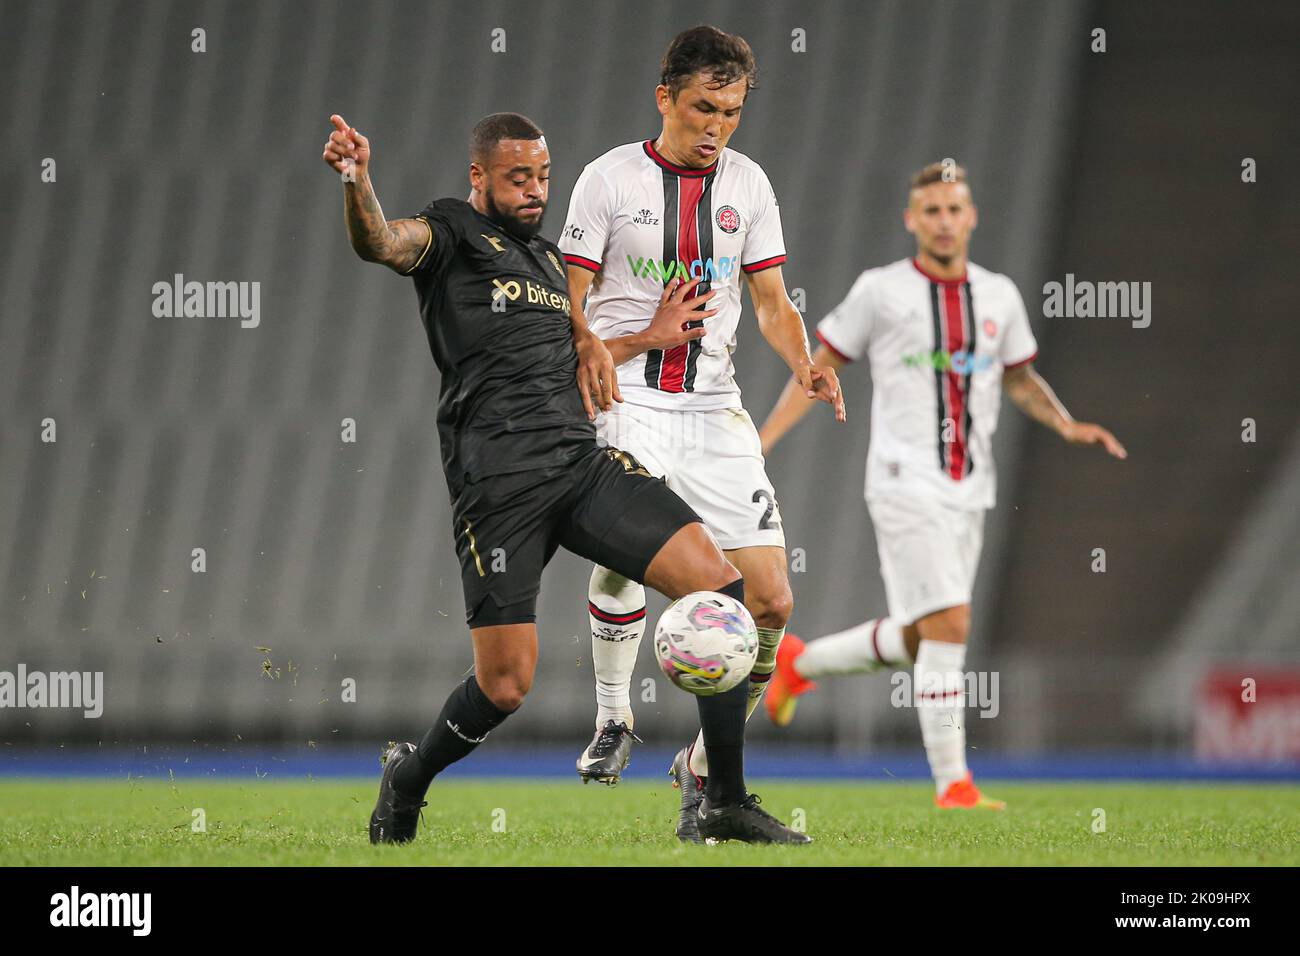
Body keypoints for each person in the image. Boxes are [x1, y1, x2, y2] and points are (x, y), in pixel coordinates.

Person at [320, 110, 809, 844]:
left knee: (720, 587)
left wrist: (639, 337)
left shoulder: (551, 265)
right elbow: (384, 243)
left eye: (543, 176)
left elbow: (582, 352)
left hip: (580, 465)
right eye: (519, 177)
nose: (535, 190)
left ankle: (722, 800)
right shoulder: (450, 233)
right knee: (506, 684)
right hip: (500, 484)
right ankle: (410, 776)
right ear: (478, 176)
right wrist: (360, 183)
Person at [760, 162, 1126, 809]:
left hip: (970, 488)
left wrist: (1066, 425)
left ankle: (798, 664)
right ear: (912, 220)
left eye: (954, 209)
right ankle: (954, 784)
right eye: (931, 210)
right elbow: (815, 368)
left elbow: (1017, 379)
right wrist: (760, 443)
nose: (944, 221)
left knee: (921, 632)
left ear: (972, 216)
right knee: (952, 624)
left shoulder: (999, 297)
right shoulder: (882, 290)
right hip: (905, 480)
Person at [558, 25, 843, 842]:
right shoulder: (609, 180)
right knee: (631, 564)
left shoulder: (747, 185)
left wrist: (805, 360)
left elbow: (770, 302)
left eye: (732, 111)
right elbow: (570, 307)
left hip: (714, 412)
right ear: (665, 98)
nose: (717, 126)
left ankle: (705, 771)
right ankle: (615, 716)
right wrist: (622, 341)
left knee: (772, 602)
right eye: (702, 108)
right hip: (627, 402)